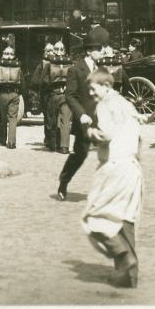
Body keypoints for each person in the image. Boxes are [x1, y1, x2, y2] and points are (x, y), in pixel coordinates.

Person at [79, 68, 144, 289]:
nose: (92, 94)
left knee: (94, 218)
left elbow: (106, 134)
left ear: (106, 86)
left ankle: (124, 257)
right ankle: (128, 276)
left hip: (114, 166)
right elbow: (140, 137)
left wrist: (90, 132)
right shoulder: (127, 104)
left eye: (94, 89)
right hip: (132, 167)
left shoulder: (105, 105)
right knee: (125, 220)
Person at [54, 25, 111, 202]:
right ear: (89, 51)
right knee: (80, 155)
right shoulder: (75, 69)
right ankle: (64, 180)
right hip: (85, 121)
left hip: (102, 121)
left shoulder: (102, 70)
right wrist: (81, 115)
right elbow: (69, 96)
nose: (103, 51)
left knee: (110, 154)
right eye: (99, 48)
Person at [0, 46, 25, 149]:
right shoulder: (18, 67)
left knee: (2, 118)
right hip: (14, 94)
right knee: (13, 118)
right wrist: (20, 93)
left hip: (2, 95)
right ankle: (11, 142)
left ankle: (2, 138)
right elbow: (22, 82)